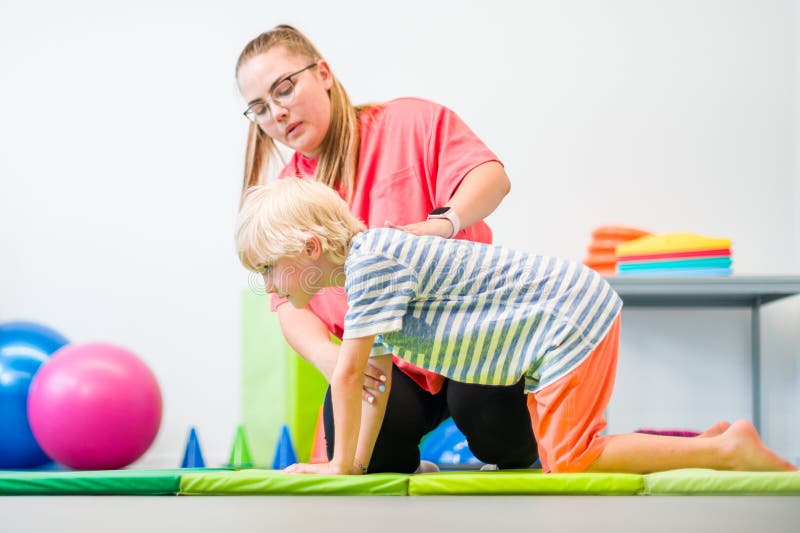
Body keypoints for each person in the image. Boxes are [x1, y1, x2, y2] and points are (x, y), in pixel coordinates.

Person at [235, 178, 798, 475]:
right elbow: (374, 383)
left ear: (309, 248)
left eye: (268, 269)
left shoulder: (371, 263)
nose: (269, 285)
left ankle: (726, 450)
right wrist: (353, 465)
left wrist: (335, 469)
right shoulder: (367, 273)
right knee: (570, 456)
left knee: (572, 462)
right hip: (558, 318)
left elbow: (350, 373)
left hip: (567, 316)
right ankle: (713, 442)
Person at [235, 25, 536, 473]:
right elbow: (287, 303)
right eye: (259, 108)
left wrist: (441, 224)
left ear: (323, 73)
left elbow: (492, 179)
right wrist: (328, 356)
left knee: (497, 431)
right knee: (360, 450)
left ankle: (526, 434)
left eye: (284, 89)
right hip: (389, 358)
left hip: (470, 334)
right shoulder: (285, 198)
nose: (277, 113)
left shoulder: (411, 122)